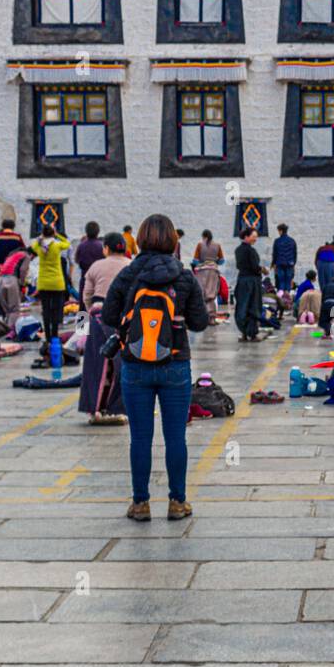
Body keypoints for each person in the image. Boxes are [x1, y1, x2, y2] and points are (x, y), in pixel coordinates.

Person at [103, 214, 209, 522]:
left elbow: (109, 315)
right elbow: (200, 323)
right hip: (175, 362)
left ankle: (140, 503)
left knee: (140, 437)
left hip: (135, 365)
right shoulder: (185, 275)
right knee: (176, 436)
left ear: (140, 239)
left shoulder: (129, 273)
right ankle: (177, 502)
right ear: (173, 241)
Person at [80, 232, 132, 424]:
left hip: (99, 315)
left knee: (96, 363)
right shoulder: (131, 265)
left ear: (106, 248)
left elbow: (86, 296)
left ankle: (95, 409)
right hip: (123, 318)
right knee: (122, 362)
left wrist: (86, 323)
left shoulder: (95, 265)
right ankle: (118, 408)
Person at [31, 225, 70, 344]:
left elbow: (33, 245)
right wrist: (57, 234)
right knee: (56, 309)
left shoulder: (39, 247)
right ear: (52, 233)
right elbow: (67, 243)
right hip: (57, 282)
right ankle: (54, 334)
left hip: (43, 283)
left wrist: (41, 237)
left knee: (46, 309)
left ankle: (47, 336)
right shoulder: (57, 246)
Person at [234, 226, 264, 342]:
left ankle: (244, 333)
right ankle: (252, 334)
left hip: (242, 280)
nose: (255, 239)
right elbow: (255, 267)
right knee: (253, 306)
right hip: (252, 281)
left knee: (242, 306)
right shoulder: (251, 251)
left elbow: (239, 266)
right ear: (246, 237)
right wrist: (262, 269)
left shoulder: (238, 250)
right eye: (253, 237)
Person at [192, 229, 225, 323]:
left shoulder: (199, 245)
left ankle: (202, 317)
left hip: (201, 271)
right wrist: (213, 261)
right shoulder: (217, 245)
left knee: (201, 293)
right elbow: (222, 260)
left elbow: (195, 260)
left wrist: (200, 262)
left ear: (203, 236)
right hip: (213, 272)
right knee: (211, 295)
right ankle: (212, 318)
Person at [0, 247, 30, 331]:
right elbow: (23, 269)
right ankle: (12, 331)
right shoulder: (26, 256)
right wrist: (22, 283)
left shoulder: (11, 256)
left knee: (7, 309)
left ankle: (5, 329)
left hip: (0, 280)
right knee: (14, 309)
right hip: (11, 279)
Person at [74, 221, 105, 289]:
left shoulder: (81, 246)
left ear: (86, 231)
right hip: (98, 279)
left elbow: (76, 260)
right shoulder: (101, 246)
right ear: (98, 232)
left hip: (85, 277)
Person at [272, 223, 298, 293]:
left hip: (280, 263)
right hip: (290, 263)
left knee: (281, 282)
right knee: (288, 282)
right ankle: (287, 298)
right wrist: (293, 263)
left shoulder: (277, 241)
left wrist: (273, 264)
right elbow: (295, 253)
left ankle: (281, 298)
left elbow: (275, 253)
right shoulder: (292, 241)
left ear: (280, 231)